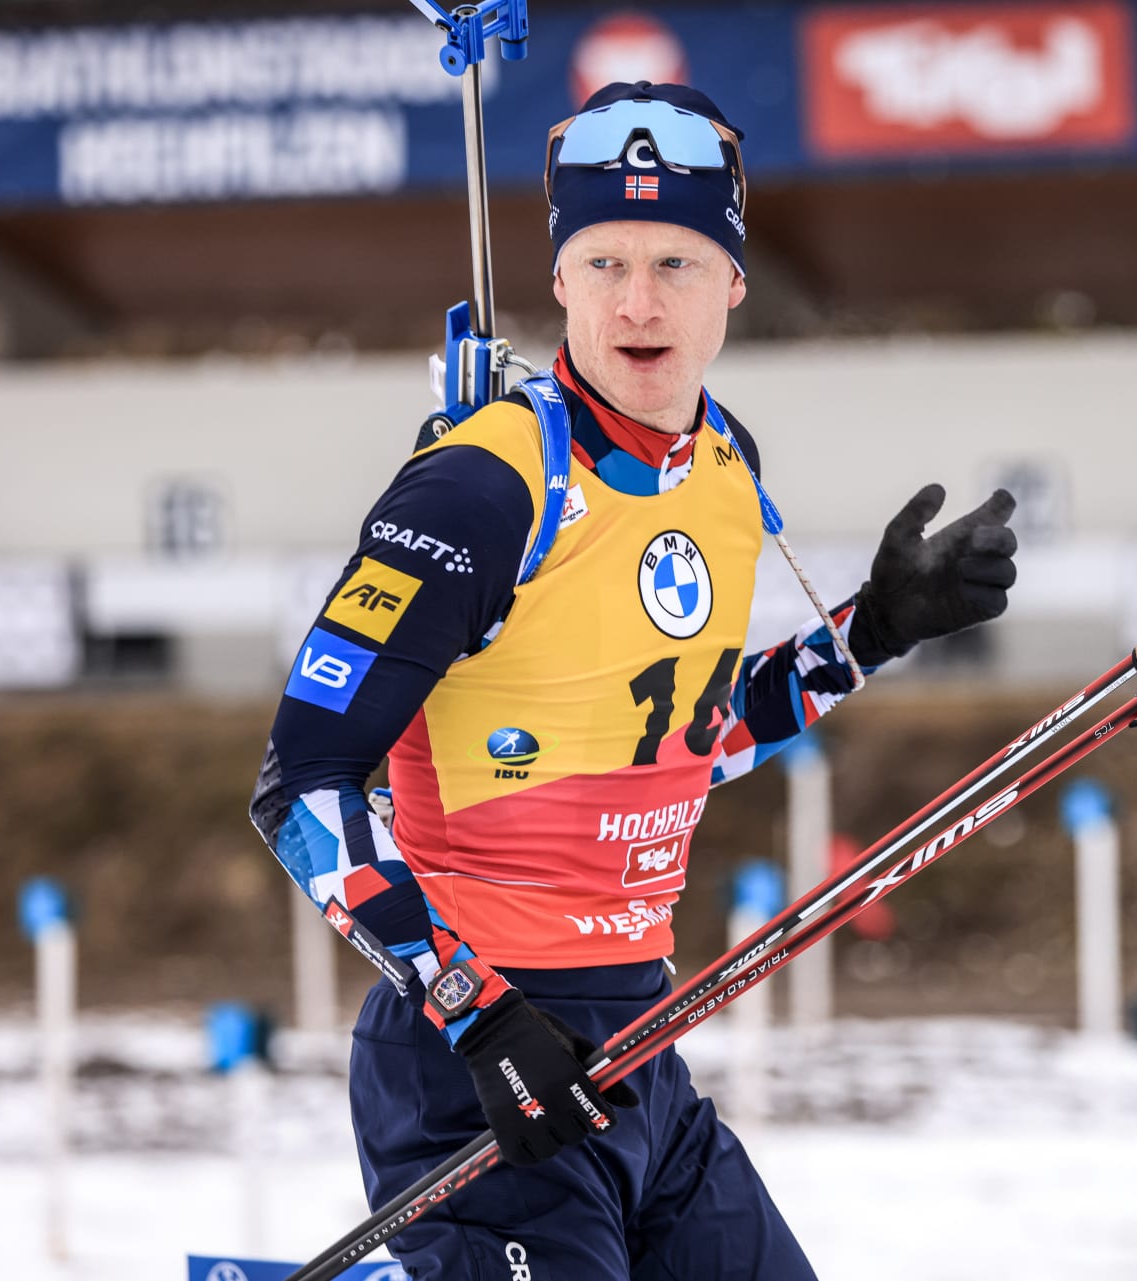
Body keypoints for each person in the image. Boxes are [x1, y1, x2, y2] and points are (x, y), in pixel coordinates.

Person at [250, 80, 1017, 1280]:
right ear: (558, 281)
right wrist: (475, 1009)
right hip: (482, 1069)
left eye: (677, 260)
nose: (639, 302)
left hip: (644, 1044)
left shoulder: (724, 469)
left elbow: (688, 742)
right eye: (603, 261)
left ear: (735, 285)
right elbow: (300, 785)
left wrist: (870, 632)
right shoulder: (485, 486)